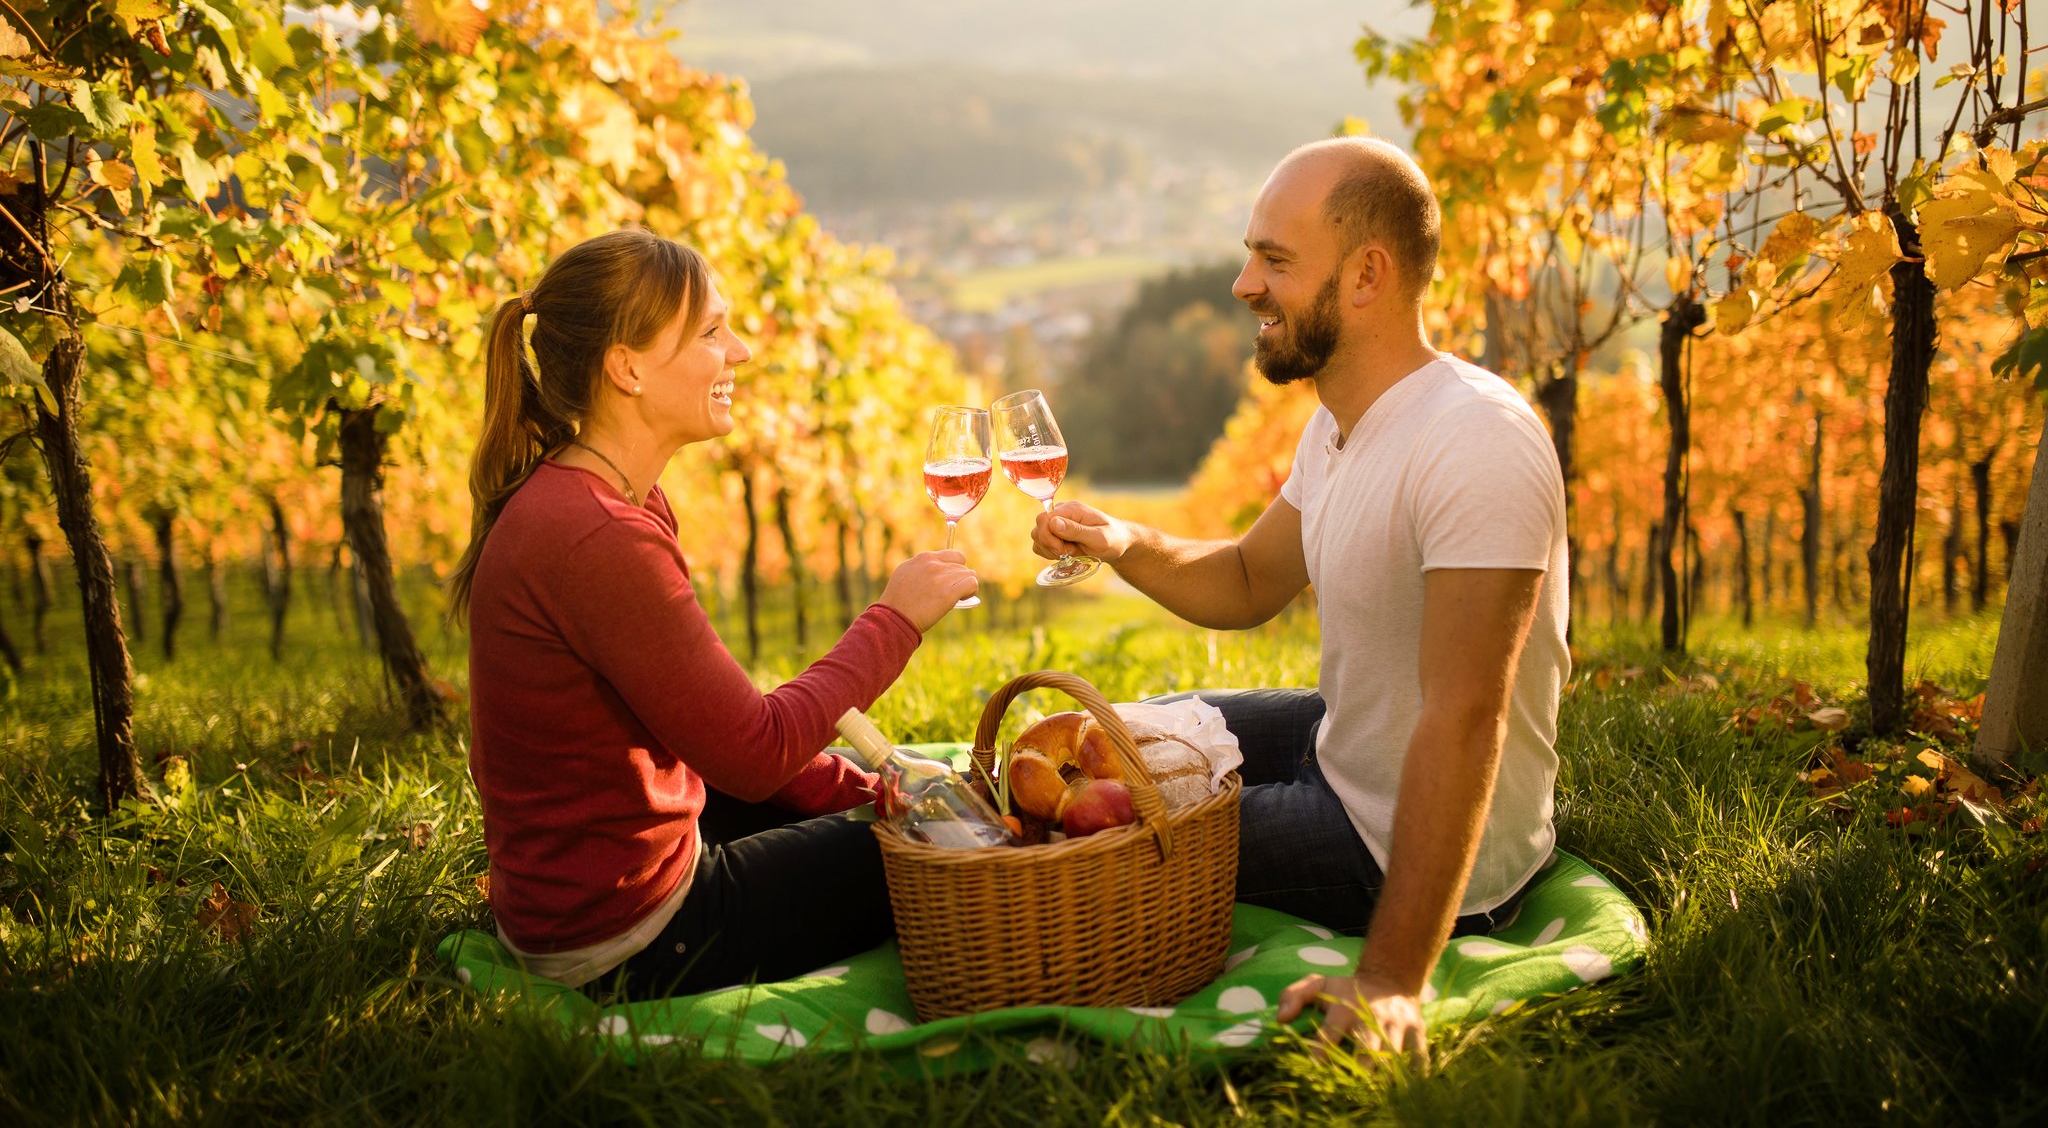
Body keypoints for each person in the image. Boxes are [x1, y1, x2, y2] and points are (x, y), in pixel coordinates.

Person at [1031, 137, 1568, 1064]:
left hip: (1396, 842)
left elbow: (1466, 715)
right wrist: (1122, 543)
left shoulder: (1475, 440)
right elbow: (1249, 578)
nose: (1244, 284)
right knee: (1107, 738)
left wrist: (1392, 978)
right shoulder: (1338, 425)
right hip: (1344, 745)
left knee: (1090, 833)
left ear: (1367, 275)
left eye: (1275, 261)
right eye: (1252, 255)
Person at [450, 228, 977, 999]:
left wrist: (855, 784)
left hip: (591, 888)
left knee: (898, 800)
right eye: (710, 332)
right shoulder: (597, 534)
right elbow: (756, 752)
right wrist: (895, 621)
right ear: (627, 368)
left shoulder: (600, 497)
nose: (741, 352)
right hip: (627, 939)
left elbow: (710, 730)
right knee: (950, 842)